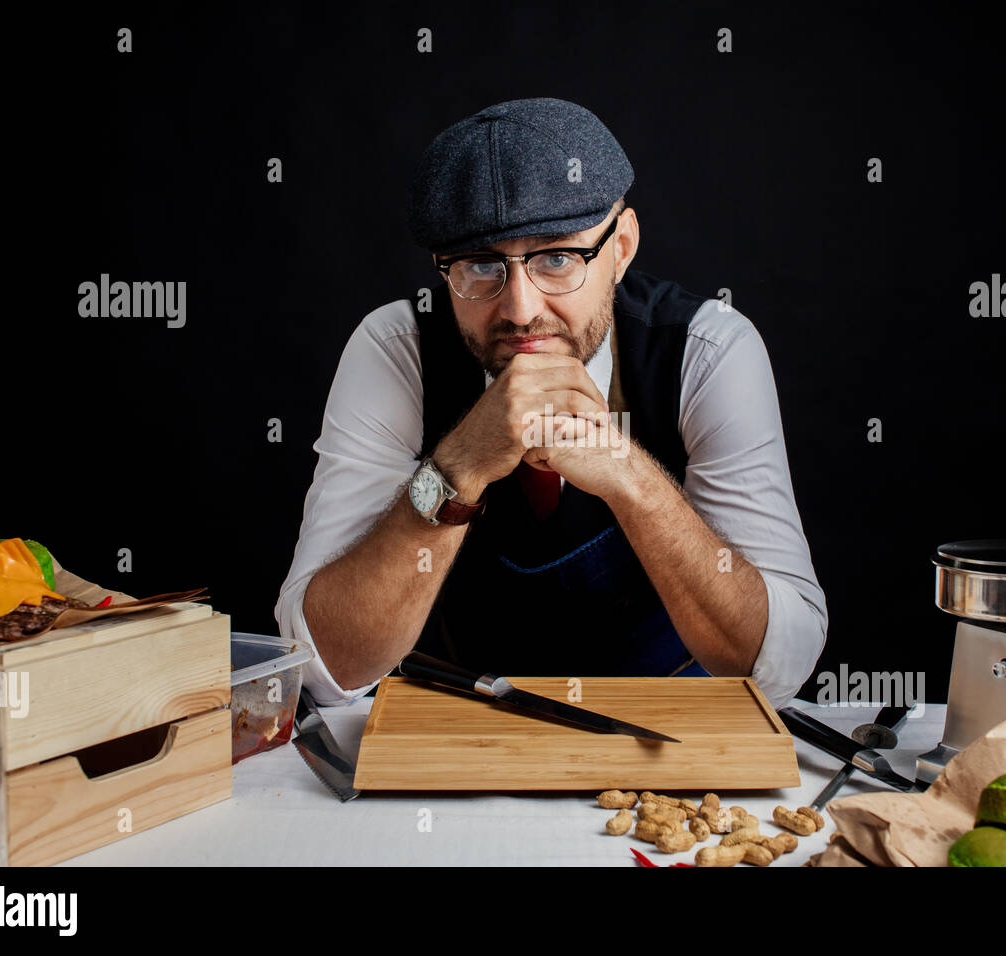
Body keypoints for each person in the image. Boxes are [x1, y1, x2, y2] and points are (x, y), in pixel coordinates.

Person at [275, 97, 827, 709]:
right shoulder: (395, 350)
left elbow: (779, 667)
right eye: (481, 266)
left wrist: (632, 479)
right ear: (442, 268)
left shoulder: (709, 349)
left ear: (620, 248)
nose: (519, 309)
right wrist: (455, 470)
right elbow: (324, 666)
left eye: (558, 258)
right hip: (458, 735)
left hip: (671, 740)